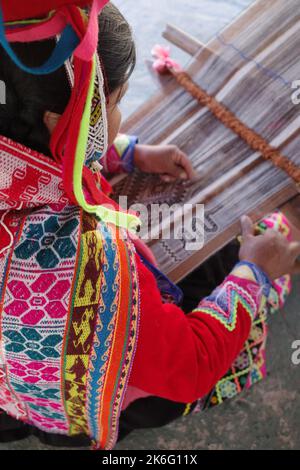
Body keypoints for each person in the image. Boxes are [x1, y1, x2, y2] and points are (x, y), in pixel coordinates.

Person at [0, 1, 299, 450]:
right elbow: (190, 367)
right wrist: (254, 272)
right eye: (116, 102)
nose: (118, 116)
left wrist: (131, 152)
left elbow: (59, 142)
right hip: (79, 417)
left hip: (10, 396)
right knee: (225, 258)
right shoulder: (94, 263)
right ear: (60, 121)